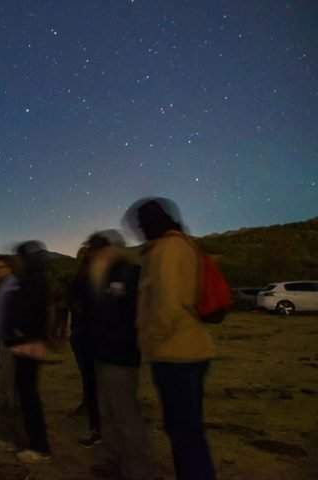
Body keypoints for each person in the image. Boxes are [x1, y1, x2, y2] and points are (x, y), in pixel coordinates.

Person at [124, 197, 217, 480]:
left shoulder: (166, 250)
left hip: (176, 353)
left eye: (140, 224)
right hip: (191, 349)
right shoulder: (185, 245)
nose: (138, 229)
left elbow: (167, 305)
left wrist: (149, 341)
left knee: (184, 432)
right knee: (188, 430)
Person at [80, 231, 154, 480]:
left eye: (99, 250)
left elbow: (134, 316)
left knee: (125, 415)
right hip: (101, 354)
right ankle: (111, 461)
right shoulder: (100, 277)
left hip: (120, 357)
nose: (96, 256)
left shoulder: (129, 273)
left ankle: (138, 471)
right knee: (107, 413)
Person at [4, 241, 52, 464]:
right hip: (26, 343)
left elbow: (31, 313)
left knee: (29, 396)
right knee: (25, 395)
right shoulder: (34, 280)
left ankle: (39, 447)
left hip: (28, 345)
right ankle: (31, 441)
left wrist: (21, 334)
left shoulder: (34, 282)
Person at [69, 245, 102, 447]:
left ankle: (96, 426)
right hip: (81, 334)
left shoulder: (94, 280)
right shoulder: (80, 280)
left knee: (93, 378)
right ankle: (90, 409)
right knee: (88, 377)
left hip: (90, 335)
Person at [0, 255, 25, 453]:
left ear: (11, 268)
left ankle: (14, 437)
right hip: (6, 342)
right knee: (6, 389)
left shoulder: (13, 286)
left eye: (1, 266)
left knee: (10, 390)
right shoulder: (4, 286)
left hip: (12, 344)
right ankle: (7, 435)